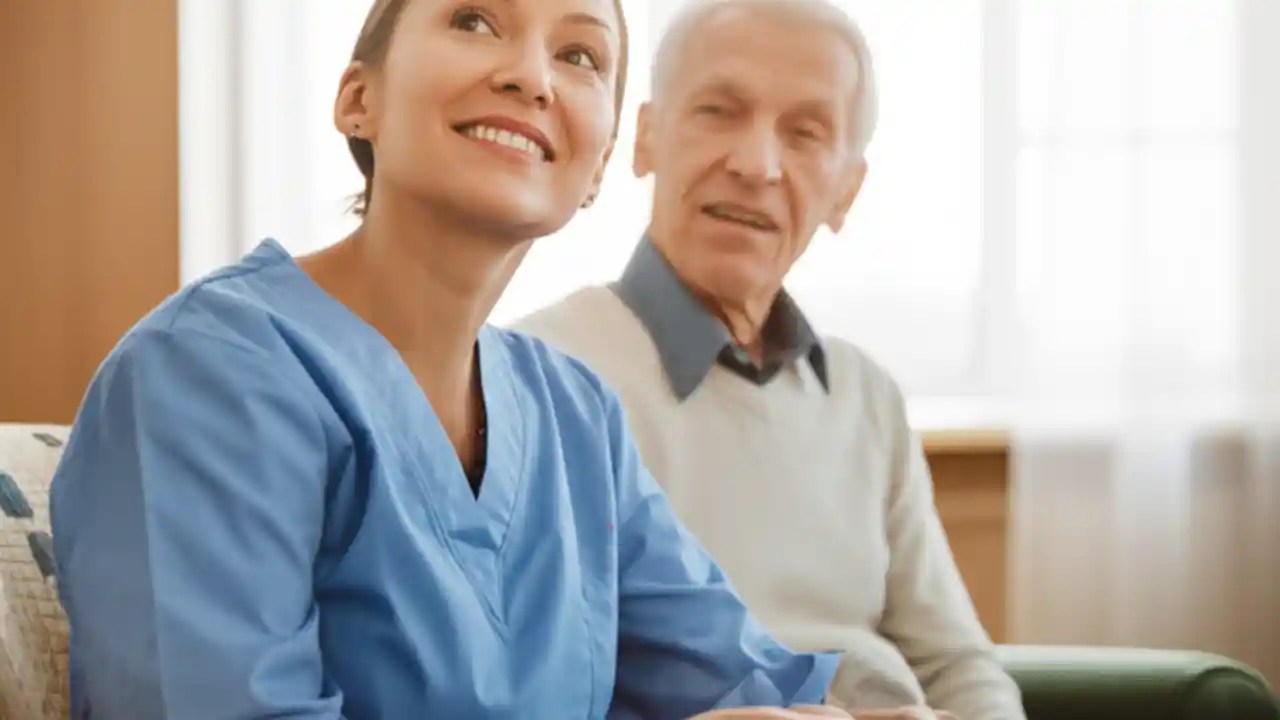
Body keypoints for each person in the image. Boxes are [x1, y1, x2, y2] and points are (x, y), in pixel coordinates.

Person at [48, 0, 852, 717]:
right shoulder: (205, 375)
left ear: (603, 163)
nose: (534, 77)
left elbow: (747, 688)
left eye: (580, 56)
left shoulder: (579, 418)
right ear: (359, 99)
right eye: (474, 20)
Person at [516, 1, 1025, 718]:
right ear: (646, 138)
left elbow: (958, 665)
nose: (756, 165)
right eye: (719, 111)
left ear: (847, 190)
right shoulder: (539, 374)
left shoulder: (866, 395)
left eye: (806, 133)